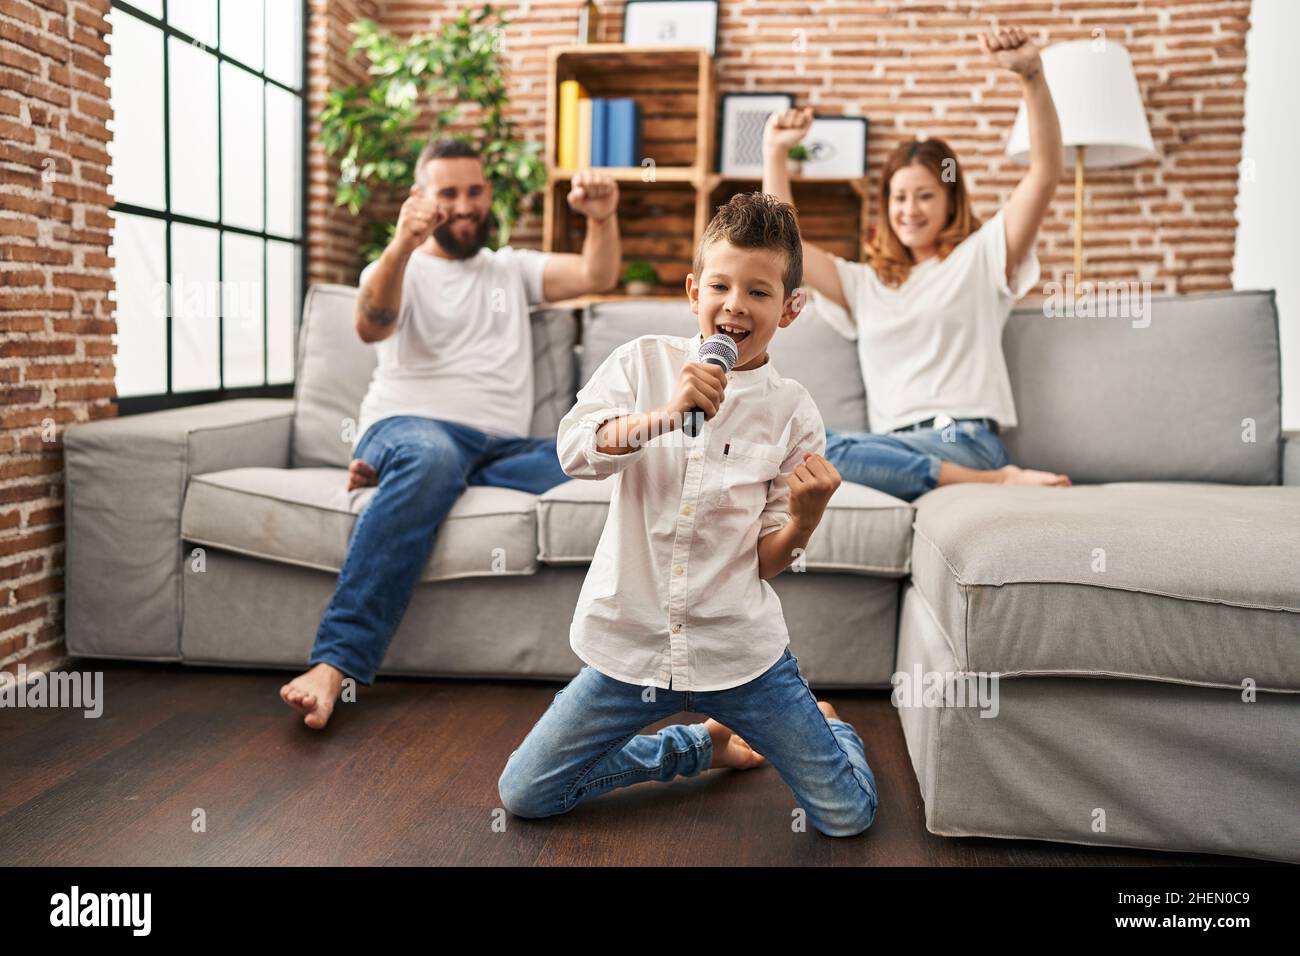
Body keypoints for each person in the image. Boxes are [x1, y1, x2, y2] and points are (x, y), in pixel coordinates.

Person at [497, 192, 878, 837]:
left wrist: (806, 518)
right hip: (632, 647)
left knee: (848, 816)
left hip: (739, 655)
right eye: (721, 286)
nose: (735, 304)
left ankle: (830, 726)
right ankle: (701, 746)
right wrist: (662, 417)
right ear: (694, 291)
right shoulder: (642, 361)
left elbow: (767, 562)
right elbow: (574, 452)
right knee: (526, 792)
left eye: (758, 292)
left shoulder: (792, 412)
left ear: (789, 309)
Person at [280, 139, 623, 729]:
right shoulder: (397, 268)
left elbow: (598, 273)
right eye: (449, 193)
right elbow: (370, 325)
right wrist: (401, 245)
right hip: (409, 429)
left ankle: (400, 483)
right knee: (432, 458)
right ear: (421, 198)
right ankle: (335, 663)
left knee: (609, 455)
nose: (465, 206)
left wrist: (601, 216)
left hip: (499, 451)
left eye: (474, 191)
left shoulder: (509, 269)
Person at [762, 26, 1072, 502]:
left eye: (925, 196)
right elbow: (786, 244)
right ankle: (971, 481)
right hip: (892, 447)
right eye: (899, 197)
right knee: (805, 448)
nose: (910, 210)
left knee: (825, 452)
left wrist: (1032, 75)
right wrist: (775, 152)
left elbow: (1045, 172)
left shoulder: (981, 257)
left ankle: (994, 478)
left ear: (950, 202)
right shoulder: (862, 283)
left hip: (965, 440)